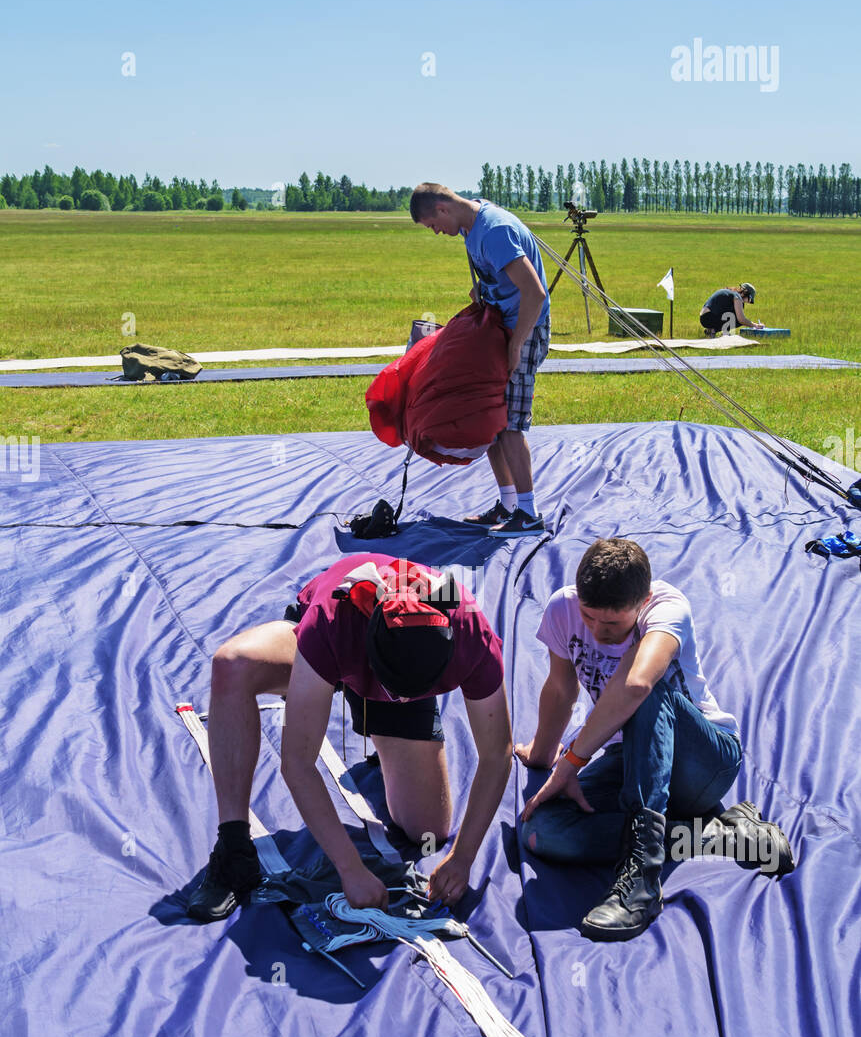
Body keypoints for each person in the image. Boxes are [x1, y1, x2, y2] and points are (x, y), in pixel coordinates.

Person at [187, 553, 512, 923]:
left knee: (428, 829)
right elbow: (298, 763)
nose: (400, 700)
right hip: (339, 652)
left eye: (409, 694)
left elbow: (497, 753)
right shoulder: (331, 622)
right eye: (396, 692)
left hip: (396, 664)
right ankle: (233, 846)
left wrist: (464, 856)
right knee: (232, 664)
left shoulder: (472, 632)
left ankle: (388, 746)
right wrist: (350, 868)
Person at [516, 538, 793, 942]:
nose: (597, 631)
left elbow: (637, 685)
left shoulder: (667, 607)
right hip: (634, 758)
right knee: (542, 831)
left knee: (646, 692)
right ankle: (723, 836)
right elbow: (560, 689)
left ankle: (643, 880)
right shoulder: (563, 607)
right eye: (589, 618)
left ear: (642, 601)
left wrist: (572, 762)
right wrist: (543, 757)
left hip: (704, 763)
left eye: (611, 624)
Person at [410, 182, 550, 536]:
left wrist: (517, 344)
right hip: (501, 329)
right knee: (491, 417)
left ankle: (529, 514)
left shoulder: (494, 230)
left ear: (443, 208)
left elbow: (534, 292)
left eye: (432, 225)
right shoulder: (473, 228)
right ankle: (507, 504)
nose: (437, 232)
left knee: (511, 424)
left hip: (524, 330)